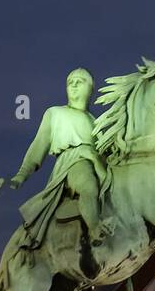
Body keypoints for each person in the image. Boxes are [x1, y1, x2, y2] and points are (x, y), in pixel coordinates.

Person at [9, 68, 113, 248]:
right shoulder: (55, 113)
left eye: (79, 81)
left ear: (90, 89)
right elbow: (39, 144)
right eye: (69, 82)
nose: (73, 85)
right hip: (73, 161)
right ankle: (95, 229)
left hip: (96, 162)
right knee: (88, 186)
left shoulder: (96, 122)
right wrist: (22, 174)